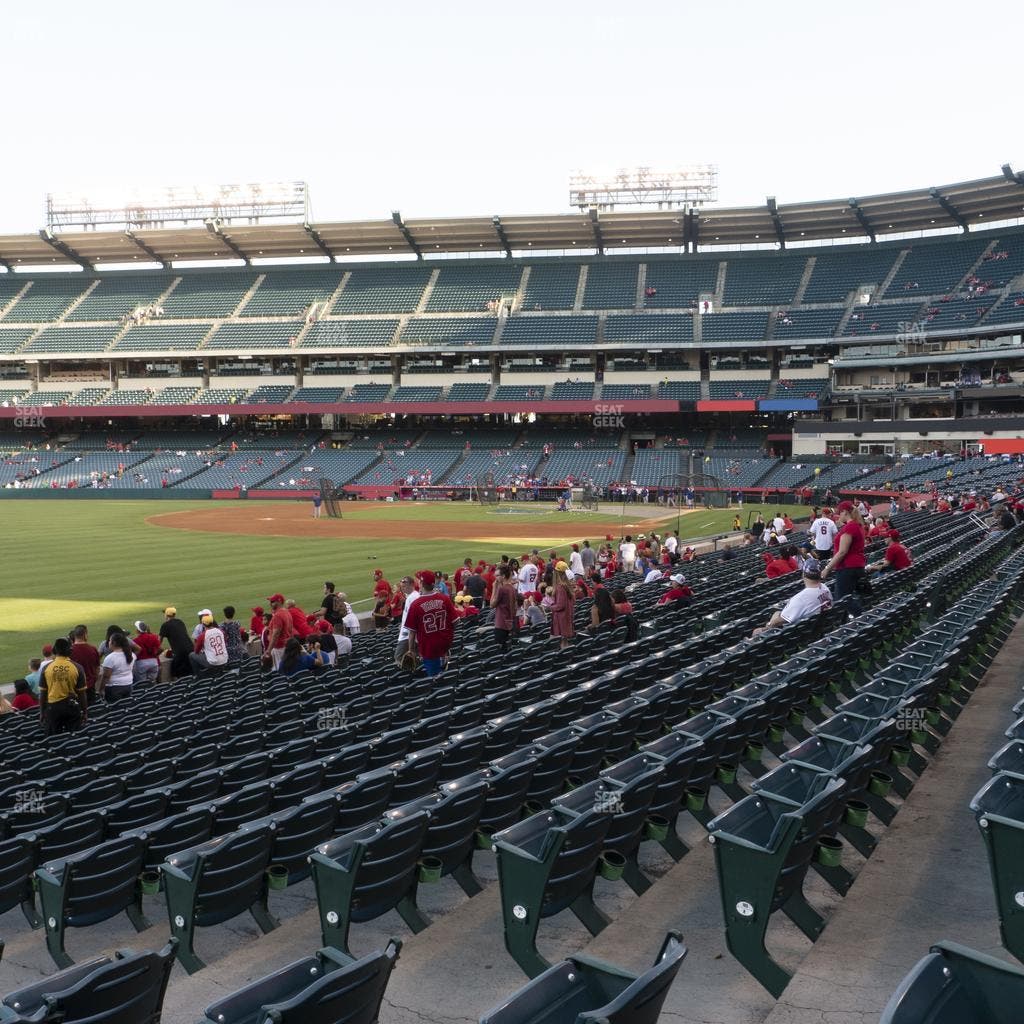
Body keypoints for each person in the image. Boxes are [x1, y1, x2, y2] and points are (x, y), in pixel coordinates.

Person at [753, 559, 833, 635]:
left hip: (801, 633)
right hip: (820, 626)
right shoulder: (825, 588)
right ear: (820, 573)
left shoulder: (801, 598)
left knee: (756, 631)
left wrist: (768, 626)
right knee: (777, 613)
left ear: (803, 574)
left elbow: (777, 622)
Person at [404, 570, 457, 676]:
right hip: (445, 646)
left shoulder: (415, 605)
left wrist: (411, 650)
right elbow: (456, 621)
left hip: (428, 649)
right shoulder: (444, 599)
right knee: (446, 675)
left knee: (435, 679)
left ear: (421, 584)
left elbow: (412, 632)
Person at [821, 501, 868, 609]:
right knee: (848, 598)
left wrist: (827, 568)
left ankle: (862, 618)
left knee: (841, 600)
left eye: (840, 513)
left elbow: (842, 551)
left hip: (847, 568)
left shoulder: (850, 527)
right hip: (857, 566)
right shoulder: (857, 525)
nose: (839, 516)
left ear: (845, 512)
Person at [39, 637, 87, 734]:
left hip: (53, 709)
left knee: (54, 740)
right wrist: (84, 711)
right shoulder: (77, 667)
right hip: (72, 707)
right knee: (75, 738)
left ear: (54, 651)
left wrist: (42, 712)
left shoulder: (46, 668)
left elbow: (43, 694)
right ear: (70, 650)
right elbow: (82, 694)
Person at [98, 631, 135, 702]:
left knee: (115, 710)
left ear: (114, 643)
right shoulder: (131, 655)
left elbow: (106, 676)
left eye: (110, 641)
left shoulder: (110, 658)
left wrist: (101, 689)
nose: (108, 642)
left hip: (114, 688)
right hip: (128, 685)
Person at [490, 564, 518, 652]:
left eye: (497, 576)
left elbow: (492, 604)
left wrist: (494, 588)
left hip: (501, 624)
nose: (496, 578)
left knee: (500, 651)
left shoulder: (502, 589)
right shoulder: (512, 588)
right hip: (509, 622)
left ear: (503, 576)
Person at [262, 594, 294, 670]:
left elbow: (275, 634)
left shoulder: (278, 615)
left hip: (279, 648)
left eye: (272, 601)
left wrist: (269, 650)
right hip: (286, 645)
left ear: (279, 601)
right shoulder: (286, 611)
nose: (270, 603)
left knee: (280, 671)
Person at [159, 607, 194, 679]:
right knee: (190, 673)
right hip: (190, 649)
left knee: (176, 674)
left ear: (166, 615)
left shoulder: (165, 625)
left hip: (179, 653)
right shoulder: (180, 622)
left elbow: (159, 641)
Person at [70, 625, 100, 704]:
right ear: (85, 635)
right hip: (90, 687)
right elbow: (97, 668)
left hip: (75, 688)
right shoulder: (93, 649)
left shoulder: (69, 651)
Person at [549, 561, 576, 649]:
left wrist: (550, 607)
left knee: (563, 643)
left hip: (562, 618)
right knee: (565, 642)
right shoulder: (567, 585)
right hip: (567, 616)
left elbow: (560, 605)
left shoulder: (560, 587)